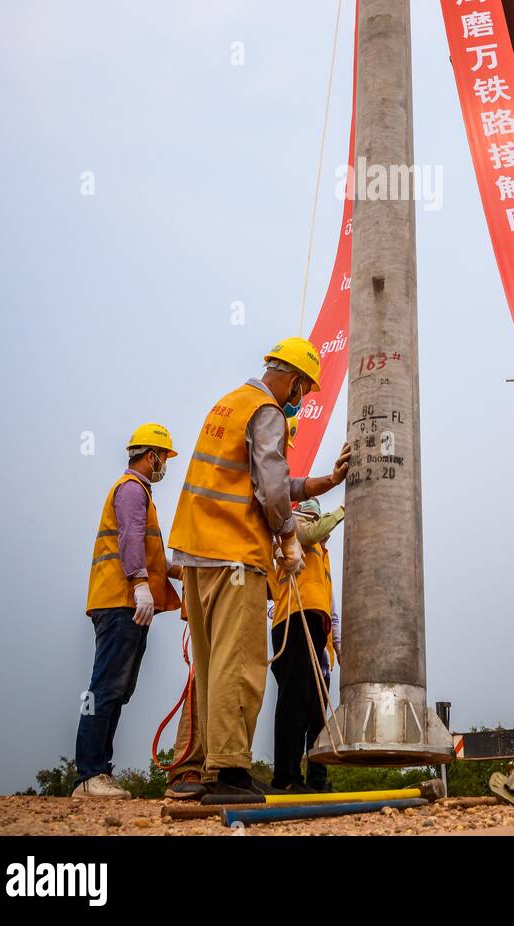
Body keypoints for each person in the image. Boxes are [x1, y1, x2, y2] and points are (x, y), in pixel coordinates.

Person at [168, 336, 349, 805]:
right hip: (235, 554)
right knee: (240, 663)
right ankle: (230, 771)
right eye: (303, 389)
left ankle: (209, 768)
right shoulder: (267, 410)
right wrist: (288, 535)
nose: (301, 400)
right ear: (291, 381)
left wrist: (323, 481)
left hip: (197, 553)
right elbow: (270, 489)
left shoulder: (230, 404)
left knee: (210, 665)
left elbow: (265, 479)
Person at [74, 423, 182, 797]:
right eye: (164, 458)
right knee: (105, 687)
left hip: (125, 602)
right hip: (120, 601)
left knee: (117, 689)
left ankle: (97, 771)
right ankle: (89, 774)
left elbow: (150, 552)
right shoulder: (132, 490)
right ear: (152, 455)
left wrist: (186, 572)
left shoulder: (140, 493)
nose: (164, 465)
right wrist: (139, 583)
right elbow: (129, 538)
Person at [269, 497, 344, 794]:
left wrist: (337, 648)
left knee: (316, 712)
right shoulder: (293, 534)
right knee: (294, 703)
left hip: (315, 631)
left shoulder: (321, 557)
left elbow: (332, 609)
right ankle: (286, 777)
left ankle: (316, 780)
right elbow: (310, 532)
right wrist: (344, 509)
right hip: (293, 621)